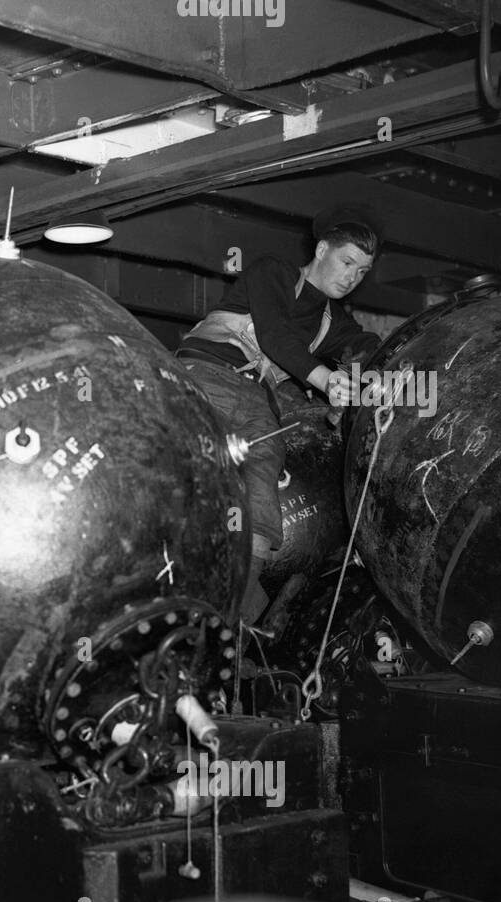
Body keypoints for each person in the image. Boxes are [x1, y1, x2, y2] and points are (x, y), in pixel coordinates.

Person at [175, 205, 382, 623]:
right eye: (347, 262)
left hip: (253, 402)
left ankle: (239, 613)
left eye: (362, 272)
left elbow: (366, 346)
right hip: (205, 375)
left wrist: (373, 377)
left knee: (262, 480)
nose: (351, 277)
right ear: (322, 249)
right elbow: (274, 335)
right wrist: (327, 380)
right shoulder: (274, 272)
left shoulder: (332, 322)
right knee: (193, 470)